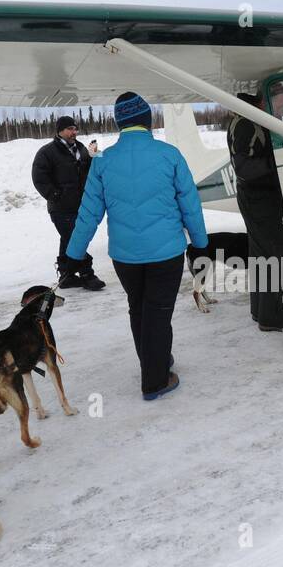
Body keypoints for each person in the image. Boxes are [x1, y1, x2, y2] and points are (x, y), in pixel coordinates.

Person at [64, 92, 208, 400]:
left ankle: (153, 361)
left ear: (120, 124)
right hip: (165, 252)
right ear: (147, 120)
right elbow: (190, 206)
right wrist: (200, 242)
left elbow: (88, 213)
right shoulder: (169, 155)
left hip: (125, 257)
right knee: (157, 312)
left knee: (139, 308)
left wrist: (73, 253)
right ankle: (155, 380)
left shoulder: (102, 161)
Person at [227, 92, 283, 331]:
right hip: (258, 198)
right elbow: (244, 167)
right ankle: (271, 317)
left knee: (261, 255)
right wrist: (280, 162)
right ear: (261, 101)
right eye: (279, 99)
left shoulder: (250, 120)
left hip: (258, 197)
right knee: (276, 256)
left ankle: (261, 310)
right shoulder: (248, 124)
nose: (282, 104)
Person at [31, 115, 105, 291]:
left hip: (80, 205)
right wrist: (55, 195)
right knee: (74, 238)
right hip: (60, 207)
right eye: (70, 129)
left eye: (75, 128)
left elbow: (92, 170)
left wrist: (96, 155)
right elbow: (39, 177)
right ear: (60, 131)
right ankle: (87, 273)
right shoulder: (47, 152)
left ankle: (67, 275)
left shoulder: (81, 149)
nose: (74, 132)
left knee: (68, 239)